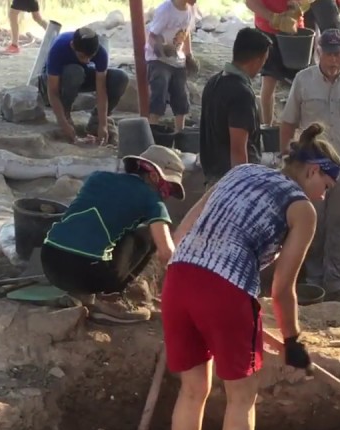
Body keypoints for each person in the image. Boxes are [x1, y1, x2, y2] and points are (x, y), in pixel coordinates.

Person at [161, 123, 339, 430]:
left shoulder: (241, 171)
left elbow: (184, 228)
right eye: (325, 186)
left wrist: (189, 280)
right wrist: (293, 341)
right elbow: (281, 287)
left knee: (193, 390)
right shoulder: (302, 209)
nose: (323, 197)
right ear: (312, 171)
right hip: (226, 289)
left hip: (178, 280)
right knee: (242, 398)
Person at [279, 28, 340, 303]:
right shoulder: (303, 80)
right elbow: (287, 122)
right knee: (312, 222)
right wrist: (286, 154)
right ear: (319, 53)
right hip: (312, 166)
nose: (334, 60)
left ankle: (335, 284)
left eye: (339, 54)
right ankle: (312, 281)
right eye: (329, 54)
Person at [41, 145, 185, 324]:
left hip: (50, 263)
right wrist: (183, 296)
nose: (168, 194)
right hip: (89, 274)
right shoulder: (152, 200)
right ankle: (110, 299)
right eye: (169, 188)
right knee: (149, 233)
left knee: (105, 232)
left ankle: (79, 294)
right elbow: (167, 253)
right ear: (154, 176)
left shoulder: (97, 177)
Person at [198, 27, 269, 185]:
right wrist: (241, 187)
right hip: (231, 181)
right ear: (258, 60)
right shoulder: (241, 94)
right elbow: (238, 149)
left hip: (213, 175)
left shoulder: (213, 82)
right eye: (263, 61)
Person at [39, 27, 128, 145]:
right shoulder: (59, 48)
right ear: (73, 46)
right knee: (75, 72)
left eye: (90, 57)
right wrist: (62, 122)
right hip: (57, 80)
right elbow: (52, 90)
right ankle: (66, 114)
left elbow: (101, 90)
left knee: (120, 77)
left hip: (82, 76)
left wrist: (103, 124)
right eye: (82, 56)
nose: (87, 60)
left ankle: (95, 122)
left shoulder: (100, 52)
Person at [244, 0, 309, 124]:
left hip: (294, 29)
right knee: (269, 79)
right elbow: (250, 2)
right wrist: (273, 18)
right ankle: (267, 127)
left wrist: (299, 5)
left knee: (302, 81)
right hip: (268, 29)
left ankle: (303, 130)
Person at [146, 0, 198, 132]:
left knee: (181, 96)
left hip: (177, 59)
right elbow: (152, 35)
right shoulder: (166, 10)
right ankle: (153, 131)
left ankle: (180, 133)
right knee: (159, 94)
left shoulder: (190, 9)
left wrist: (188, 55)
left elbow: (186, 34)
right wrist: (161, 49)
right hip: (158, 60)